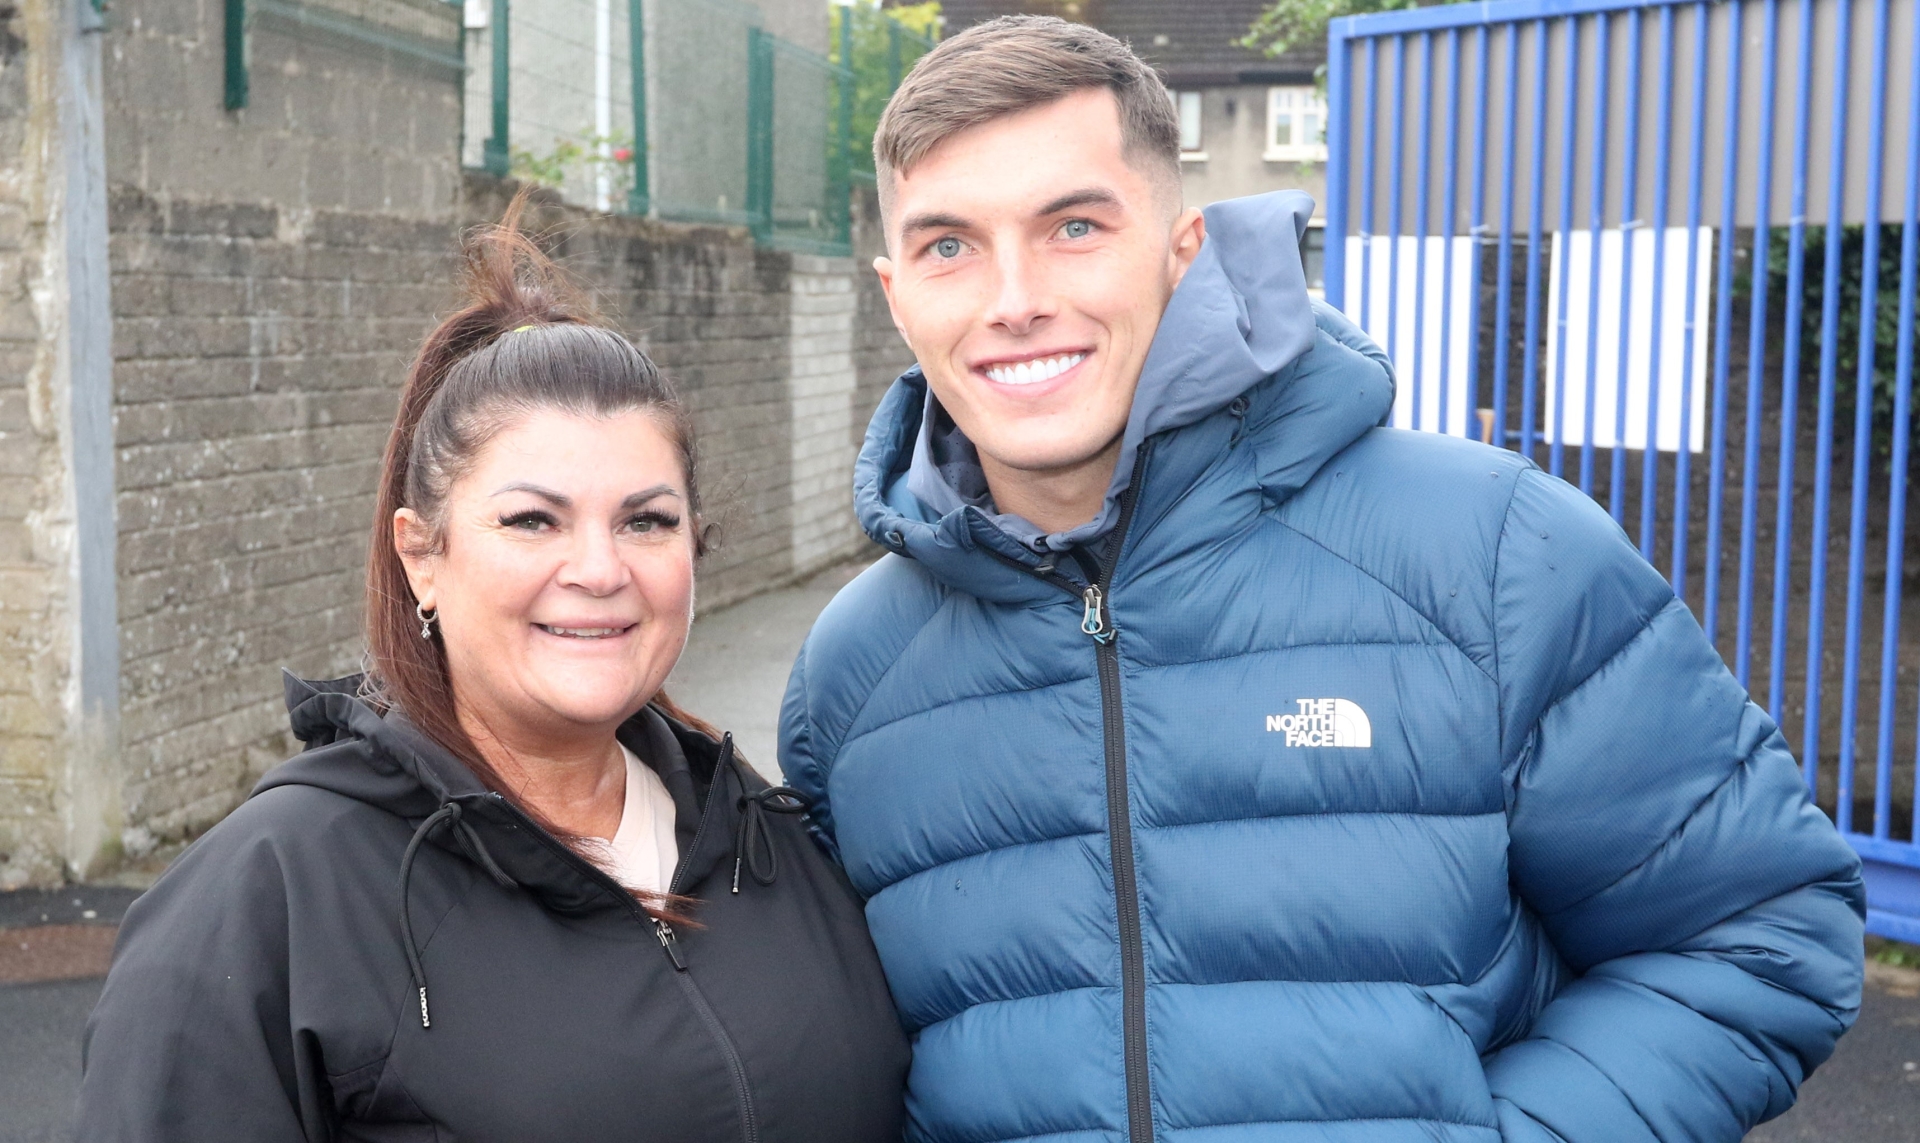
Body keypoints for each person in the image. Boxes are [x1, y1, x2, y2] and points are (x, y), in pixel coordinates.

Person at [778, 15, 1864, 1143]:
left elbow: (1756, 935)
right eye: (950, 245)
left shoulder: (1492, 554)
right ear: (897, 292)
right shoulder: (853, 674)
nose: (1013, 298)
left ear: (1182, 247)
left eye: (1074, 226)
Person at [77, 203, 909, 1142]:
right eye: (532, 520)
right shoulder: (276, 894)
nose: (600, 569)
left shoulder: (768, 841)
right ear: (421, 556)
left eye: (646, 520)